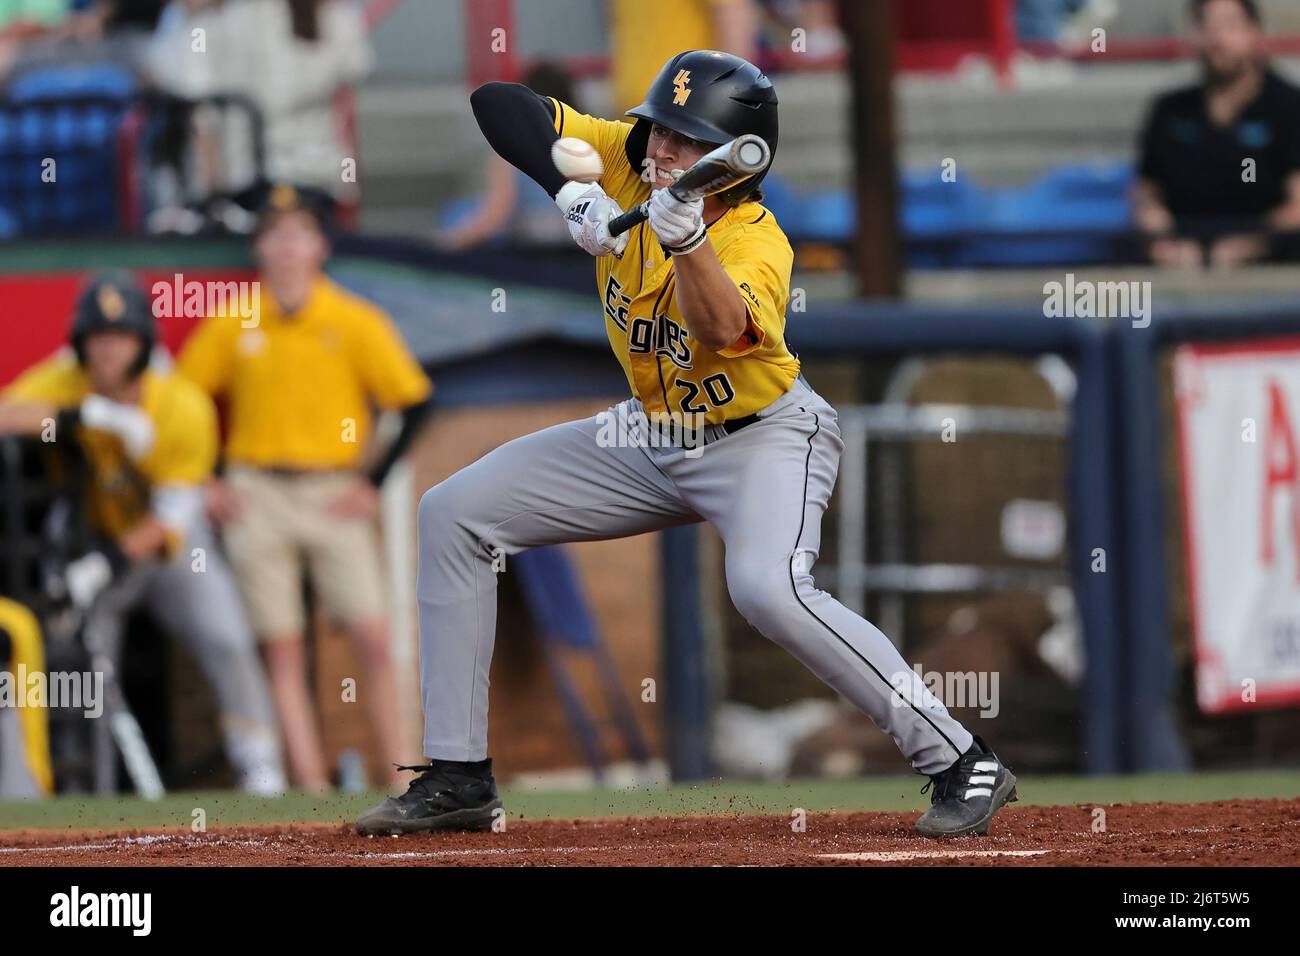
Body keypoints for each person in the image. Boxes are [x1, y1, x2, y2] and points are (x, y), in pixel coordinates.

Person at [356, 50, 1019, 839]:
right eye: (659, 129)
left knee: (770, 591)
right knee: (453, 512)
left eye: (685, 138)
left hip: (763, 438)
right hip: (649, 434)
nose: (661, 148)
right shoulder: (632, 161)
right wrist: (568, 188)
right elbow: (498, 100)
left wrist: (687, 246)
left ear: (736, 158)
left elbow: (720, 328)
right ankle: (460, 776)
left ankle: (958, 757)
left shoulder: (756, 242)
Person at [178, 184, 434, 792]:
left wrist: (372, 481)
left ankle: (403, 776)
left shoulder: (350, 318)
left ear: (319, 246)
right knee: (281, 646)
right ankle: (310, 788)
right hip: (256, 492)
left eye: (298, 235)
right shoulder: (235, 318)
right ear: (260, 247)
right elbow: (181, 403)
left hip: (332, 489)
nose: (287, 248)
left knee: (372, 635)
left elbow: (416, 400)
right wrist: (207, 477)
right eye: (275, 235)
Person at [0, 271, 286, 795]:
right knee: (88, 674)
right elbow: (4, 414)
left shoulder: (181, 404)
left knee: (225, 636)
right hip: (92, 540)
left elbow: (171, 520)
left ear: (142, 342)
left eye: (121, 337)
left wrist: (103, 564)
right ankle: (92, 791)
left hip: (167, 549)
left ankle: (260, 766)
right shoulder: (67, 382)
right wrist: (88, 413)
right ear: (82, 342)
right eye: (98, 338)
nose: (109, 351)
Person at [1133, 0, 1300, 268]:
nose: (1217, 39)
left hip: (1271, 272)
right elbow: (1147, 192)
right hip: (1179, 269)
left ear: (1254, 32)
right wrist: (1163, 243)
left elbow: (1297, 206)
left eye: (1229, 25)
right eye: (1206, 26)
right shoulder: (1170, 110)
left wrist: (1245, 248)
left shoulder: (1288, 107)